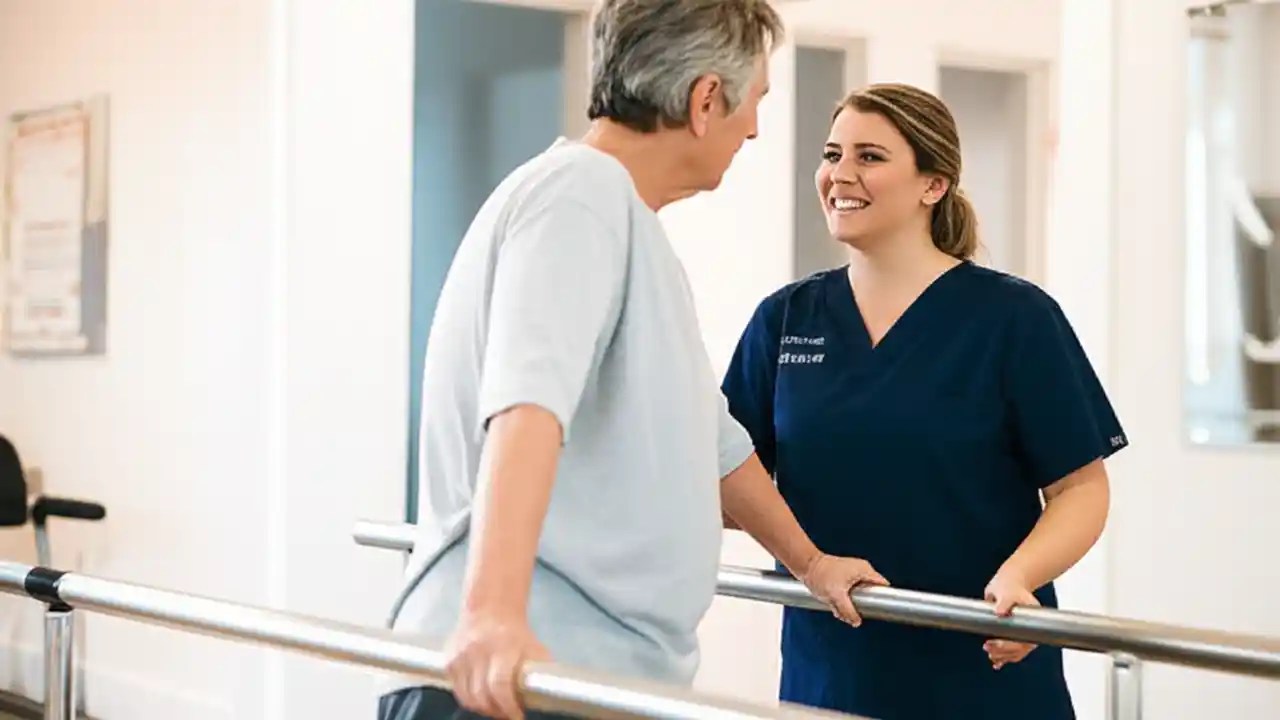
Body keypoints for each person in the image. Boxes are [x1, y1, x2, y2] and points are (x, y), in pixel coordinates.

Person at [380, 3, 888, 719]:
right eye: (755, 102)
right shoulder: (578, 197)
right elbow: (528, 402)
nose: (755, 129)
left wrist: (810, 563)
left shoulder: (628, 227)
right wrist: (493, 612)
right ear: (705, 99)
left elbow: (714, 449)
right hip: (520, 675)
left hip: (584, 677)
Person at [721, 83, 1127, 720]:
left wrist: (1022, 577)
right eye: (832, 154)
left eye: (870, 157)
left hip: (984, 662)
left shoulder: (1014, 319)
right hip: (833, 669)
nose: (839, 175)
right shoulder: (786, 319)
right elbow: (729, 478)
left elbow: (1081, 489)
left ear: (932, 185)